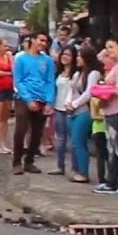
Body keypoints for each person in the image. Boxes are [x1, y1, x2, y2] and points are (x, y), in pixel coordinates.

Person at [11, 31, 56, 175]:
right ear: (33, 40)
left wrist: (49, 102)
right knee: (20, 130)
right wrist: (28, 99)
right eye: (41, 40)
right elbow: (18, 80)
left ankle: (29, 161)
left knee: (37, 133)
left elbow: (50, 82)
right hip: (23, 98)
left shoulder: (48, 61)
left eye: (45, 41)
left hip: (42, 98)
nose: (43, 44)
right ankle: (17, 161)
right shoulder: (21, 59)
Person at [94, 37, 118, 194]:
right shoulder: (117, 65)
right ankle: (112, 181)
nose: (108, 51)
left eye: (111, 47)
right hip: (111, 110)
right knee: (113, 148)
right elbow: (99, 57)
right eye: (106, 48)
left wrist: (105, 90)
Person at [65, 46, 102, 184]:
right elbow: (71, 89)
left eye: (80, 56)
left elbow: (89, 93)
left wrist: (74, 104)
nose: (78, 59)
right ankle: (75, 169)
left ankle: (83, 172)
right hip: (72, 111)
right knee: (74, 142)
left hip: (84, 111)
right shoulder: (77, 74)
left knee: (79, 141)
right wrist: (68, 103)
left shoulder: (93, 73)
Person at [49, 46, 77, 176]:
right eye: (63, 54)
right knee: (60, 140)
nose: (65, 57)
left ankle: (76, 168)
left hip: (73, 110)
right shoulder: (58, 73)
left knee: (74, 140)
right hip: (59, 109)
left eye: (69, 55)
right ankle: (60, 167)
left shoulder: (77, 74)